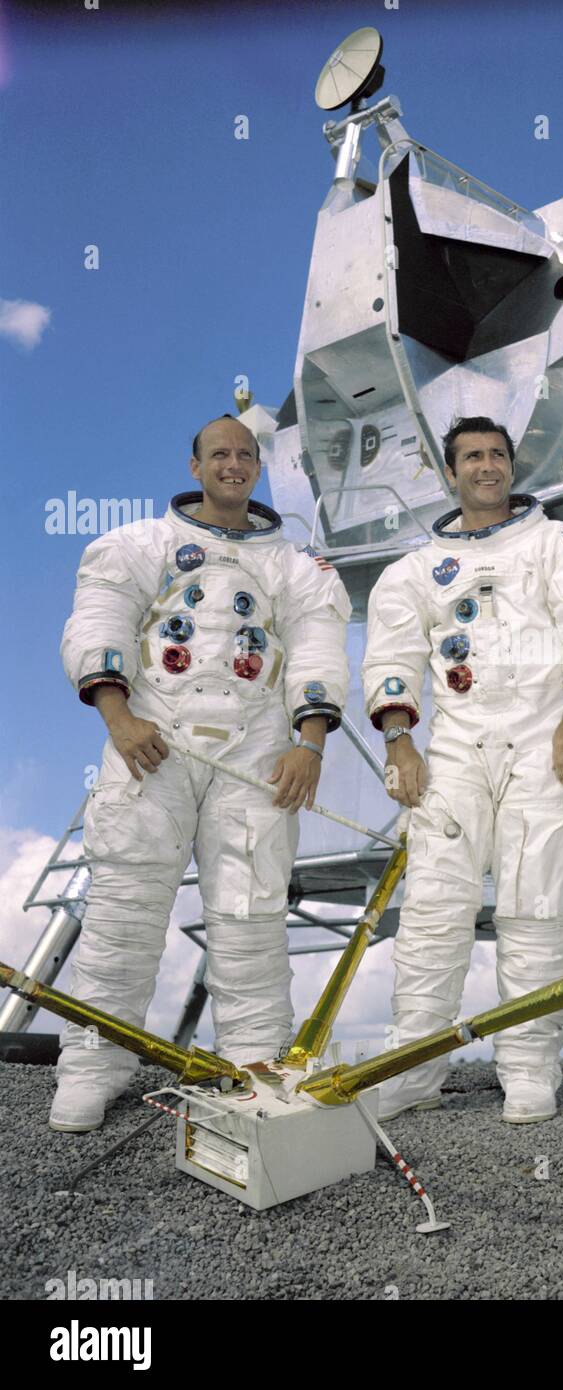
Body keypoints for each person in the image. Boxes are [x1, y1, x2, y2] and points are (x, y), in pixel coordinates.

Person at [53, 415, 351, 1132]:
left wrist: (310, 744)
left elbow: (317, 650)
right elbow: (99, 623)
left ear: (258, 468)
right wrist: (119, 718)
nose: (233, 463)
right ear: (195, 466)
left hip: (255, 754)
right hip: (151, 742)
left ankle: (254, 1073)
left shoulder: (296, 567)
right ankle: (91, 1070)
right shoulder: (138, 545)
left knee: (250, 920)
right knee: (122, 915)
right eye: (220, 453)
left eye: (245, 454)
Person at [362, 416, 563, 1124]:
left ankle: (530, 1068)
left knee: (536, 908)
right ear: (450, 473)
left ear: (512, 465)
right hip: (455, 747)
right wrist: (399, 743)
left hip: (546, 738)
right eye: (472, 457)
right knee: (432, 910)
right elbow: (390, 659)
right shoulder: (412, 571)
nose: (487, 466)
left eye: (498, 455)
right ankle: (411, 1068)